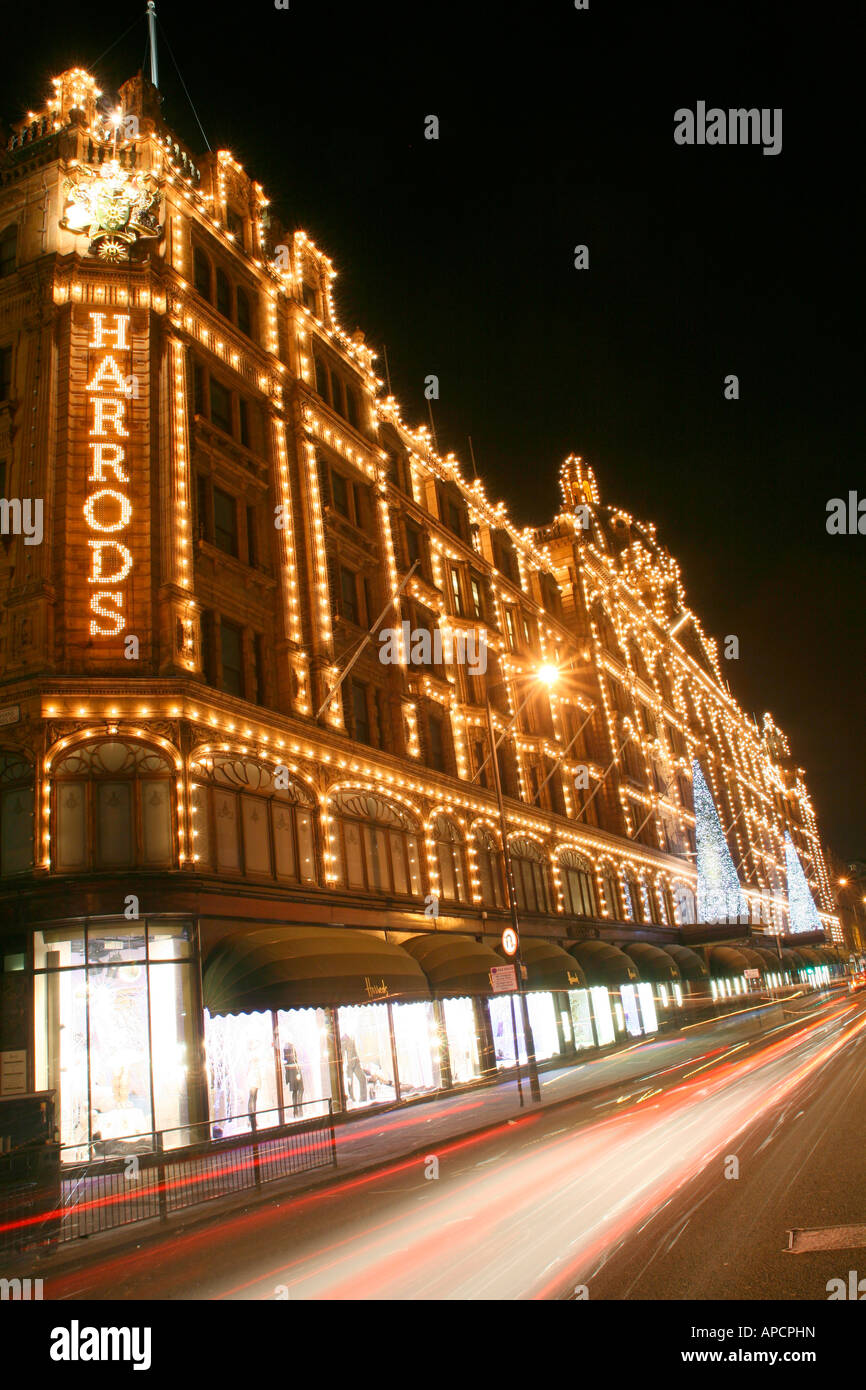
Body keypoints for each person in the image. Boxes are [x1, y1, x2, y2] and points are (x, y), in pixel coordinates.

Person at [342, 1033, 367, 1103]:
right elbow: (342, 1053)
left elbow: (356, 1049)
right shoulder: (343, 1039)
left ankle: (363, 1098)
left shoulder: (352, 1036)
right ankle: (352, 1098)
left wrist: (358, 1059)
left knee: (362, 1078)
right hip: (348, 1064)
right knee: (350, 1082)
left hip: (355, 1062)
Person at [282, 1040, 305, 1117]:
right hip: (295, 1072)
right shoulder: (290, 1048)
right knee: (300, 1089)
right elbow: (294, 1060)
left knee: (295, 1092)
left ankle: (296, 1111)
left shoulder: (287, 1049)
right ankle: (299, 1110)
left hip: (292, 1072)